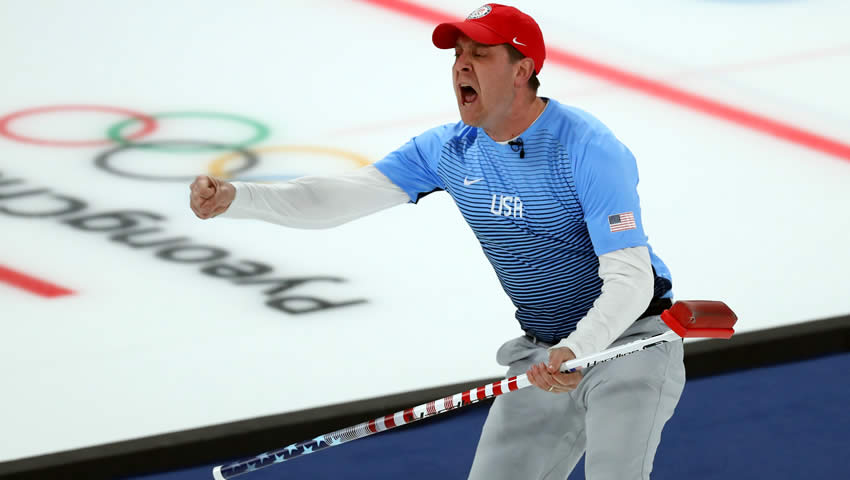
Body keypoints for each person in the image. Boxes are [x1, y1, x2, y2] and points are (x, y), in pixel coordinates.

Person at [189, 4, 684, 479]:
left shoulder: (588, 148)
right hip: (542, 353)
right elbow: (336, 198)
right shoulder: (449, 150)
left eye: (480, 54)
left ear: (521, 70)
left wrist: (579, 347)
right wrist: (240, 197)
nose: (462, 65)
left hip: (629, 342)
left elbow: (631, 279)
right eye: (458, 54)